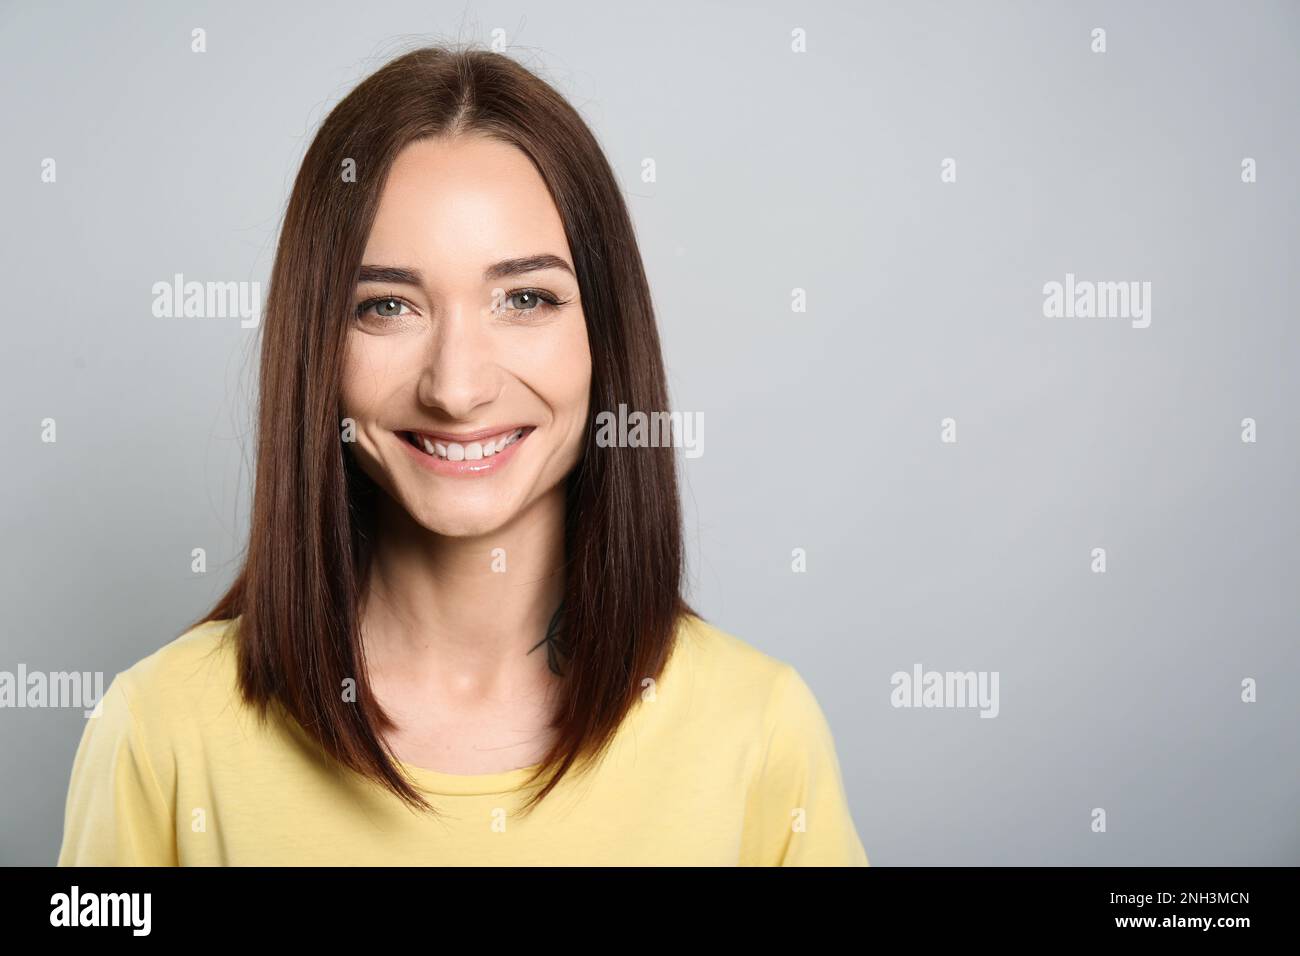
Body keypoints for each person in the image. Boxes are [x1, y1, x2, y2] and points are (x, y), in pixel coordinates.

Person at [57, 45, 868, 866]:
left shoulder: (760, 732)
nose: (456, 386)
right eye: (386, 306)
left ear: (606, 339)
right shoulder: (157, 733)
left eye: (526, 299)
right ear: (317, 348)